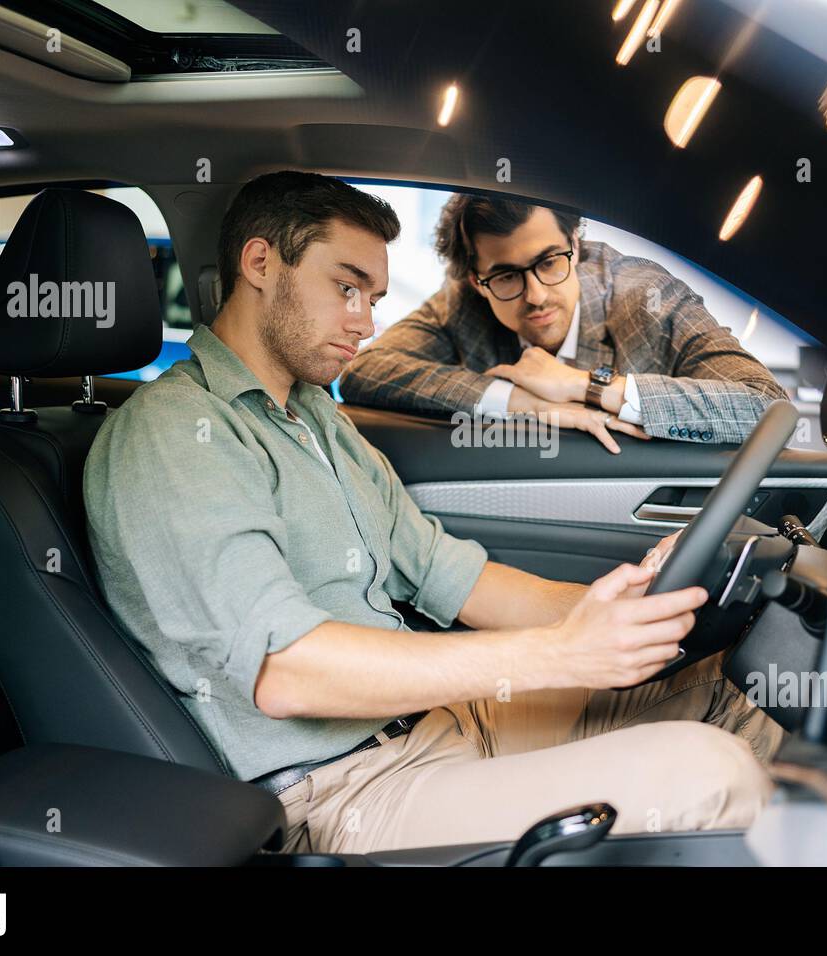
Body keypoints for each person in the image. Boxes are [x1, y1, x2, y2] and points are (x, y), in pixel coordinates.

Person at [83, 171, 784, 855]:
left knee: (733, 684)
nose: (366, 321)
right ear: (261, 262)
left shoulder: (317, 420)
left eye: (374, 296)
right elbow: (286, 671)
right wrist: (560, 654)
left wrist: (615, 610)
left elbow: (453, 576)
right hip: (344, 789)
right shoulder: (176, 433)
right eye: (346, 287)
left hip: (439, 724)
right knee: (708, 774)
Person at [339, 193, 786, 454]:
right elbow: (365, 370)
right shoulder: (463, 302)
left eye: (549, 261)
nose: (535, 295)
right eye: (508, 275)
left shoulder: (646, 296)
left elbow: (767, 410)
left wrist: (584, 386)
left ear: (575, 242)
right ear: (478, 280)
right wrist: (522, 401)